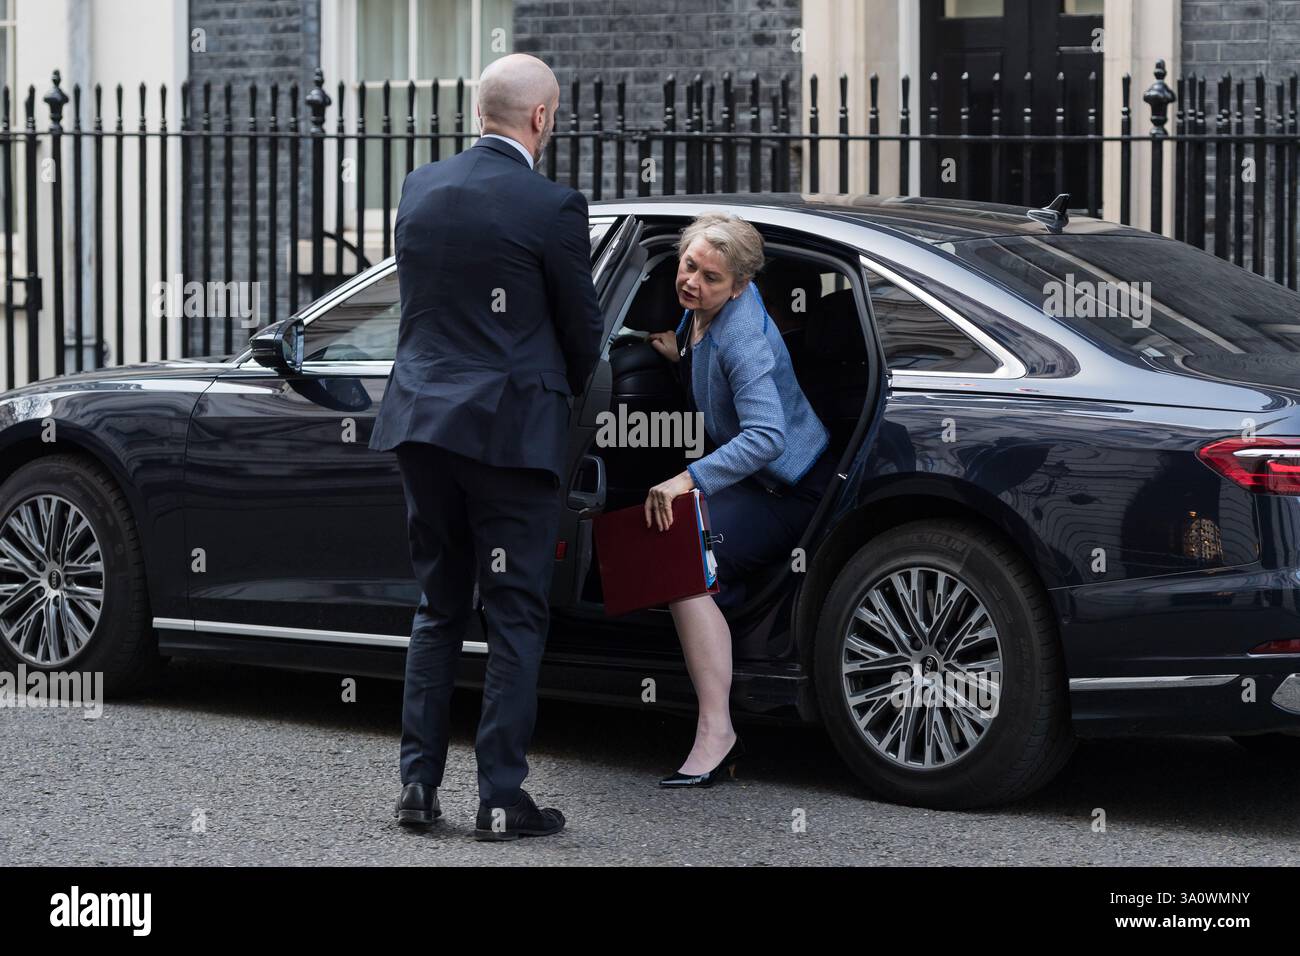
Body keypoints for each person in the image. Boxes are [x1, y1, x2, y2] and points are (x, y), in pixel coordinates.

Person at [368, 53, 604, 840]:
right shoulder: (552, 206)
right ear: (541, 118)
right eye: (557, 114)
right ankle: (501, 798)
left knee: (438, 608)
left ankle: (416, 789)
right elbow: (584, 336)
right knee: (512, 618)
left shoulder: (420, 190)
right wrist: (555, 401)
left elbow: (425, 313)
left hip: (422, 428)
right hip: (508, 437)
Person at [645, 212, 836, 788]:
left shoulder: (741, 337)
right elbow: (703, 349)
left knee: (681, 565)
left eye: (710, 278)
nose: (692, 282)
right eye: (688, 265)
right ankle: (738, 603)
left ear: (740, 286)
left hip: (789, 486)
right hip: (757, 480)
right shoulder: (700, 314)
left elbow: (766, 437)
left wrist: (689, 478)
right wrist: (678, 352)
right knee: (687, 556)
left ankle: (717, 731)